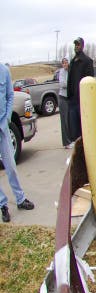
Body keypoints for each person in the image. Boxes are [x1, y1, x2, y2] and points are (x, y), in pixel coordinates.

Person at [0, 63, 35, 222]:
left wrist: (7, 118)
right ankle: (2, 204)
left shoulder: (4, 71)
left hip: (3, 127)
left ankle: (20, 199)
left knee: (11, 166)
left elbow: (9, 96)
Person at [66, 37, 94, 143]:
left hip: (82, 101)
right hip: (72, 100)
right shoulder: (72, 62)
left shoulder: (87, 61)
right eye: (75, 45)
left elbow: (90, 81)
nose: (76, 47)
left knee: (84, 129)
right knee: (74, 129)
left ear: (82, 46)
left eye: (78, 45)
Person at [56, 57, 71, 147]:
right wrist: (70, 84)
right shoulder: (61, 72)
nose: (65, 64)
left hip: (69, 98)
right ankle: (66, 143)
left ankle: (70, 140)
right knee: (64, 121)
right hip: (63, 98)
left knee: (69, 120)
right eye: (64, 63)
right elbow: (62, 84)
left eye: (66, 62)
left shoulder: (70, 71)